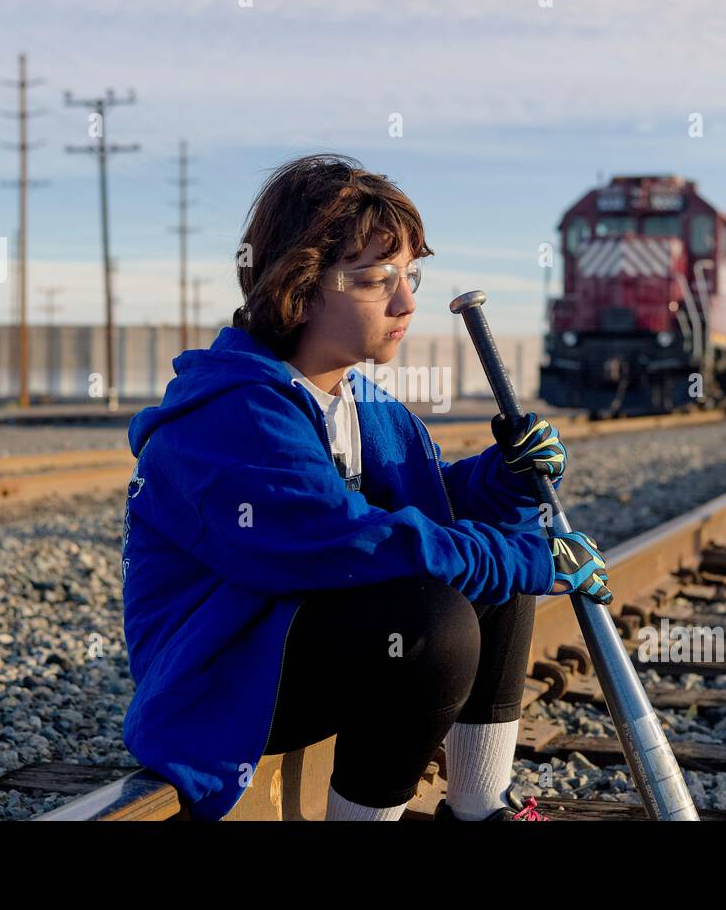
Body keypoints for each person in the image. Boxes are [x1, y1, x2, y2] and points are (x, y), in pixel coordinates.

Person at [120, 153, 609, 822]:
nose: (407, 301)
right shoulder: (233, 415)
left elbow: (429, 506)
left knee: (493, 563)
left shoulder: (365, 405)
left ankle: (478, 809)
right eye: (376, 279)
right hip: (225, 669)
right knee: (431, 623)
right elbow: (344, 542)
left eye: (410, 276)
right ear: (300, 282)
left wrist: (505, 481)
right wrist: (532, 558)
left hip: (299, 637)